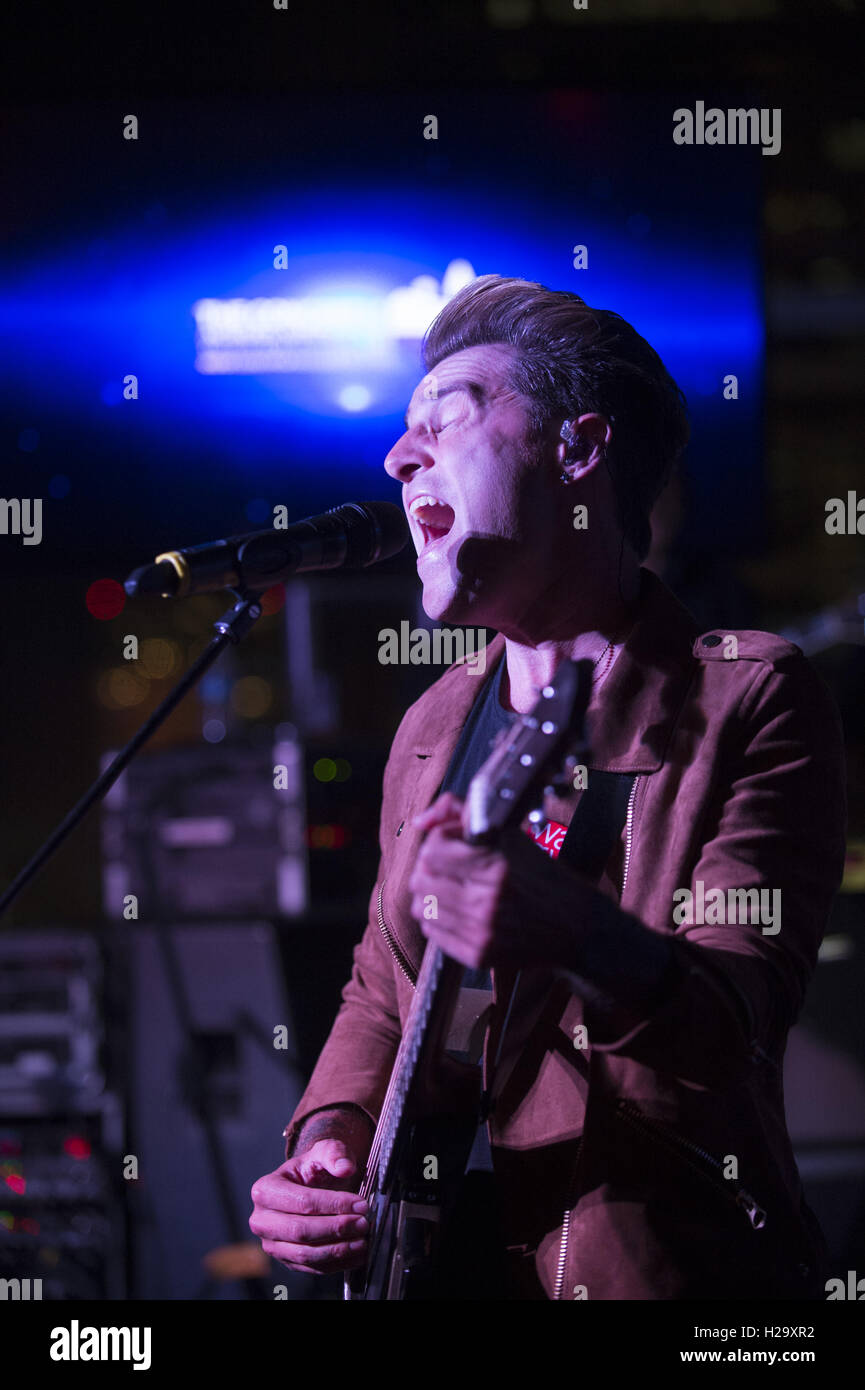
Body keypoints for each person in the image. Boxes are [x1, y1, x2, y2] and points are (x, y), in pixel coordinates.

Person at [249, 275, 846, 1299]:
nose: (398, 458)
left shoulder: (748, 695)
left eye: (446, 421)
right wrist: (329, 1139)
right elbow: (379, 995)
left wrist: (577, 931)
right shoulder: (434, 726)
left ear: (577, 450)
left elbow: (733, 1029)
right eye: (400, 434)